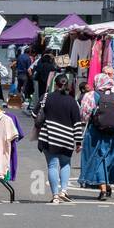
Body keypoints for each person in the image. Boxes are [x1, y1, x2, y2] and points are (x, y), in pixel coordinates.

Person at [78, 73, 114, 200]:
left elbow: (84, 114)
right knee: (109, 160)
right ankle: (107, 184)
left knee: (98, 159)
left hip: (95, 132)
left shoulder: (92, 95)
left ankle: (102, 189)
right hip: (113, 135)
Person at [36, 73, 83, 204]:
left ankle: (55, 195)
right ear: (67, 85)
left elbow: (35, 113)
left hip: (49, 136)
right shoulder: (72, 101)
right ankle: (63, 191)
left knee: (52, 165)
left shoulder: (46, 97)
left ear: (55, 84)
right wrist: (78, 142)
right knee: (65, 164)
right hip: (67, 138)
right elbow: (77, 123)